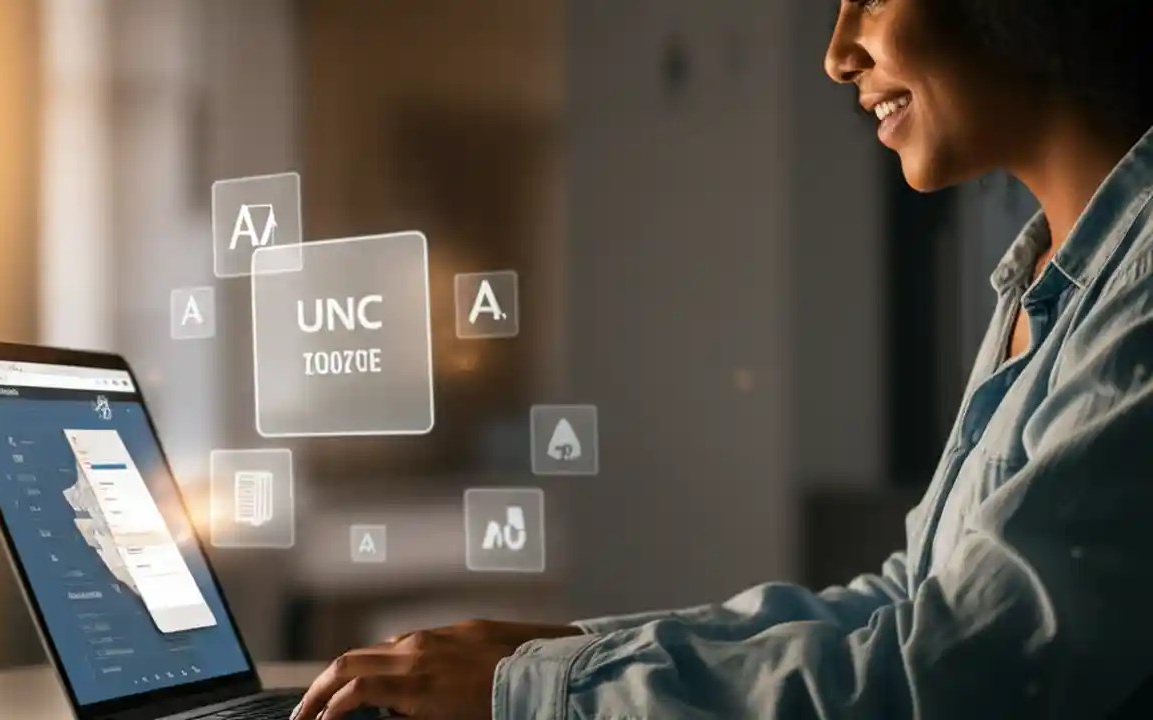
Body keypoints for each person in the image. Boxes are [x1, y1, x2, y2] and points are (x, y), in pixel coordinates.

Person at [294, 0, 1153, 717]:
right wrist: (570, 654)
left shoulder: (1141, 279)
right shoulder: (1047, 275)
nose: (835, 53)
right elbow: (909, 601)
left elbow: (959, 673)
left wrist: (540, 696)